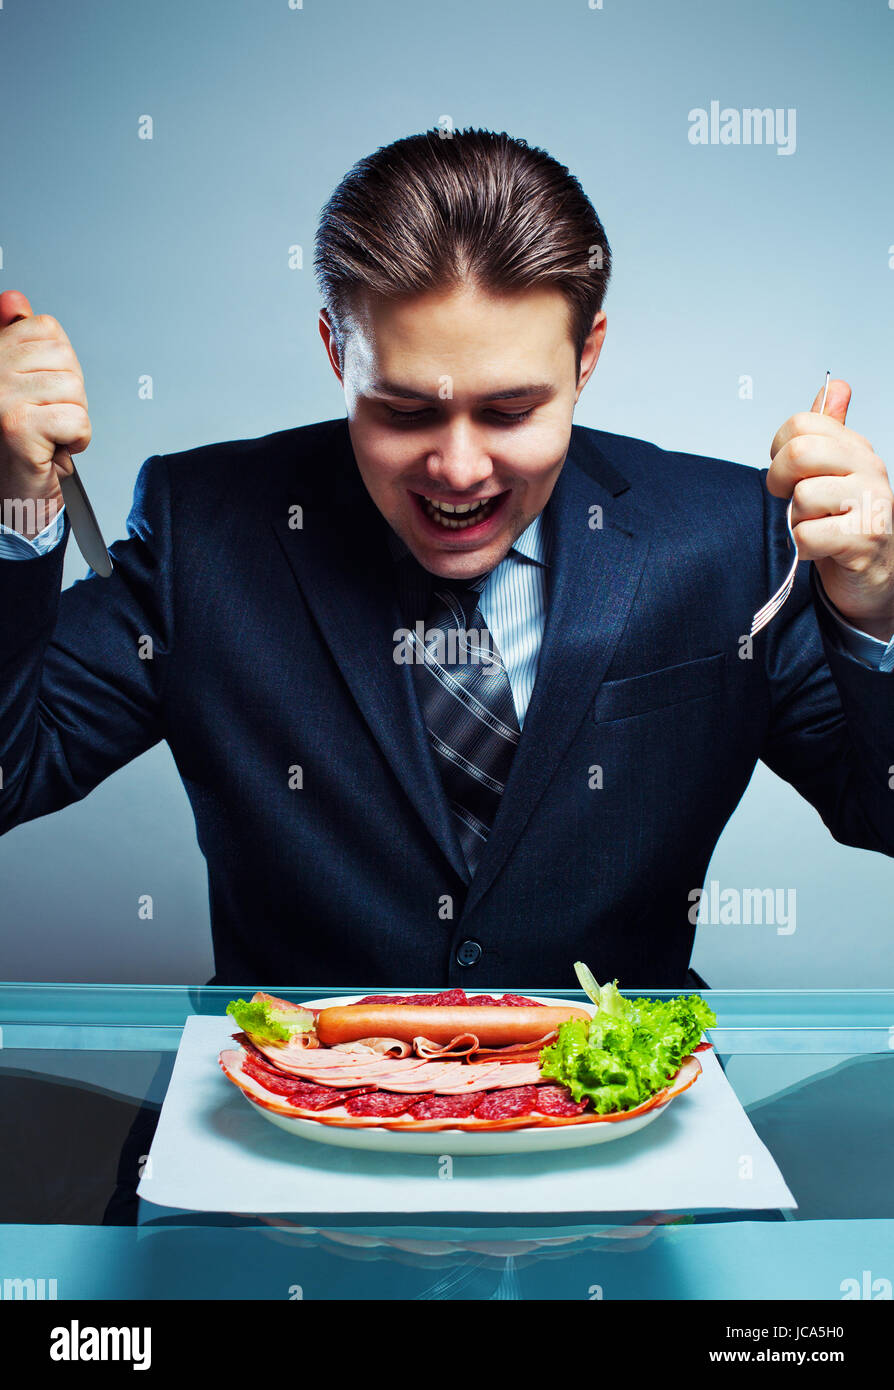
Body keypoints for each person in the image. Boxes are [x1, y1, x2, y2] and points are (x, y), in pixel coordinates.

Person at [1, 127, 893, 992]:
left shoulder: (731, 538)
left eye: (510, 412)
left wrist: (874, 610)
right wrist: (16, 502)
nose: (458, 470)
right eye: (404, 411)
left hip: (624, 1124)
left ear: (587, 358)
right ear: (334, 351)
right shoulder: (203, 532)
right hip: (295, 1116)